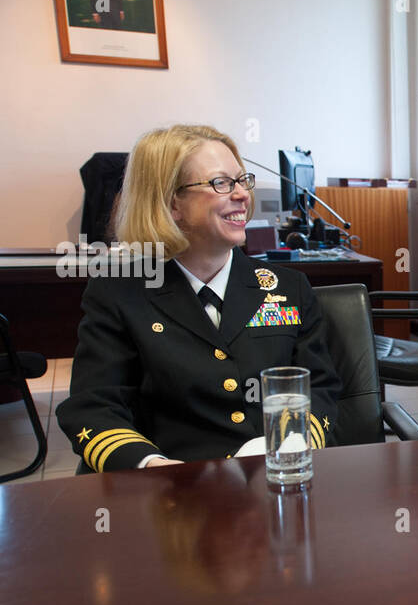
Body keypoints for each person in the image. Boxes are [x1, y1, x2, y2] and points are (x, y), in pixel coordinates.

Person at [58, 124, 342, 472]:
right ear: (171, 202)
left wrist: (282, 443)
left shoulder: (288, 287)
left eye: (242, 180)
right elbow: (94, 406)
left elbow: (320, 390)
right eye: (221, 183)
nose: (241, 195)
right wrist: (152, 467)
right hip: (169, 497)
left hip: (269, 484)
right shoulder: (118, 292)